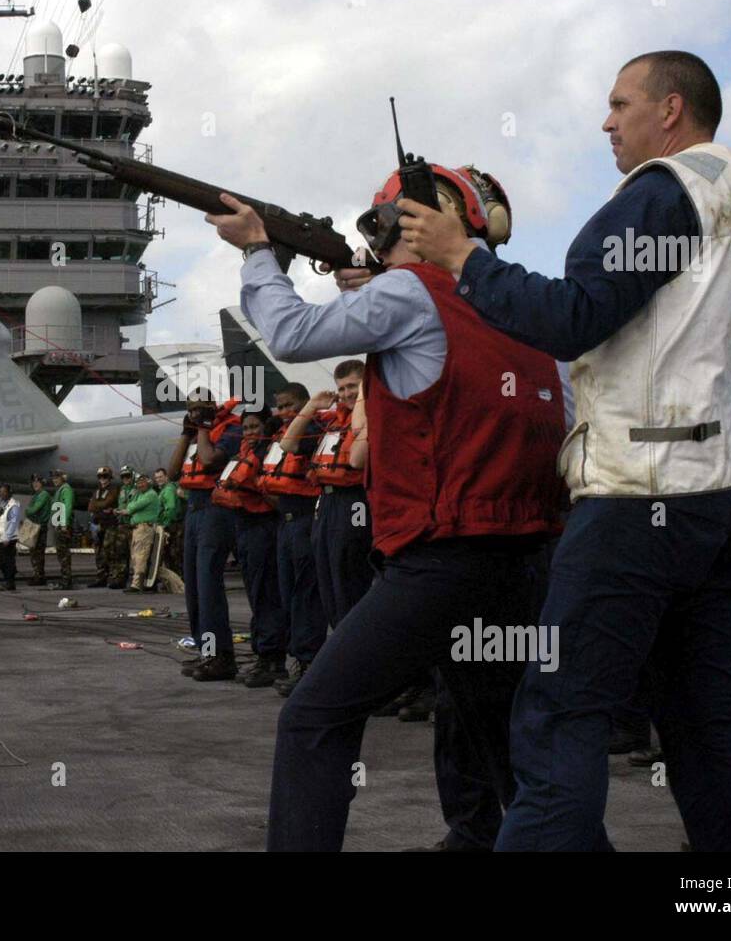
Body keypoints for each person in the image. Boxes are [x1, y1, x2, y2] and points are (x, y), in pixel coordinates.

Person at [387, 50, 731, 850]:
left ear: (671, 111)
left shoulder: (665, 192)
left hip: (638, 497)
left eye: (620, 104)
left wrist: (463, 258)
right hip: (726, 501)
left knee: (560, 714)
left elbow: (574, 315)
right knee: (710, 712)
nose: (606, 122)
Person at [210, 164, 565, 852]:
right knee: (503, 737)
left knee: (315, 718)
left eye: (383, 229)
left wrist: (258, 250)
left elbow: (287, 333)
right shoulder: (532, 310)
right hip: (523, 561)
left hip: (441, 559)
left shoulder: (410, 291)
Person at [257, 383, 326, 696]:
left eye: (289, 406)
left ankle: (310, 663)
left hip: (302, 521)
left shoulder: (310, 429)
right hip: (284, 523)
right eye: (280, 407)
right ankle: (298, 659)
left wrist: (308, 410)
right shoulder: (279, 435)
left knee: (305, 595)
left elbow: (294, 446)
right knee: (288, 595)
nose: (283, 412)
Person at [168, 389, 243, 681]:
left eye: (202, 407)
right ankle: (205, 650)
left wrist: (203, 428)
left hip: (215, 507)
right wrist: (186, 434)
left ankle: (221, 657)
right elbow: (174, 472)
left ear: (214, 406)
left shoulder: (231, 428)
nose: (196, 412)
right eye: (191, 408)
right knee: (194, 587)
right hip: (194, 509)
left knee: (209, 584)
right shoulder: (194, 435)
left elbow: (210, 460)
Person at [212, 407, 288, 687]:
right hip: (244, 527)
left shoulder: (270, 454)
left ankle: (273, 659)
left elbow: (275, 497)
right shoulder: (242, 455)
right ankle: (263, 654)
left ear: (266, 428)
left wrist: (255, 485)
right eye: (245, 428)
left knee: (267, 593)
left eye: (255, 427)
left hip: (263, 527)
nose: (250, 433)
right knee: (256, 595)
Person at [299, 360, 374, 628]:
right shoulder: (333, 422)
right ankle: (341, 641)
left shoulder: (375, 415)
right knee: (327, 579)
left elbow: (356, 460)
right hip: (327, 504)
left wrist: (366, 395)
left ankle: (358, 651)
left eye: (353, 386)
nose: (345, 394)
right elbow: (289, 443)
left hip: (355, 502)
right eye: (341, 389)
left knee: (350, 577)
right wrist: (311, 405)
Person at [120, 473, 161, 592]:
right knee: (137, 556)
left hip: (144, 528)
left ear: (149, 483)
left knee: (140, 556)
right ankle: (147, 583)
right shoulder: (140, 494)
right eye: (138, 483)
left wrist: (129, 508)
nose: (140, 485)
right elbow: (130, 505)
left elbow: (132, 508)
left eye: (143, 482)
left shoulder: (150, 495)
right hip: (138, 528)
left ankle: (137, 585)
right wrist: (130, 507)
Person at [102, 467, 137, 589]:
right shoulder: (122, 490)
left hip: (133, 525)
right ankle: (121, 579)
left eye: (128, 476)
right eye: (123, 477)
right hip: (122, 524)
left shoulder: (136, 490)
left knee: (136, 555)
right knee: (120, 553)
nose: (125, 479)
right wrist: (115, 511)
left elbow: (135, 506)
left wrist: (126, 511)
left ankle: (138, 581)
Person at [87, 467, 120, 587]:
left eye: (105, 477)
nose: (102, 479)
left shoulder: (113, 490)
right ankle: (101, 577)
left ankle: (112, 577)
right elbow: (90, 507)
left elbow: (108, 502)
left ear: (109, 478)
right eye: (100, 477)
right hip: (97, 525)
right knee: (99, 552)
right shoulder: (96, 491)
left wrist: (98, 505)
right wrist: (101, 507)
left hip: (109, 525)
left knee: (109, 552)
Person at [154, 468, 185, 577]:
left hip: (173, 525)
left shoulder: (168, 490)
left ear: (166, 477)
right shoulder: (166, 489)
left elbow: (171, 508)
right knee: (174, 554)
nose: (158, 480)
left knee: (173, 554)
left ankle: (178, 581)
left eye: (161, 477)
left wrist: (164, 524)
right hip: (175, 524)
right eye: (157, 478)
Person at [49, 469, 76, 589]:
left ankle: (67, 581)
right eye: (53, 478)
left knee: (64, 554)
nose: (54, 479)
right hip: (59, 525)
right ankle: (65, 579)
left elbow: (68, 506)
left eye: (57, 477)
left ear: (63, 478)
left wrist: (64, 524)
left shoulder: (66, 490)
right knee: (61, 554)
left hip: (62, 527)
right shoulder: (60, 490)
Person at [24, 474, 52, 586]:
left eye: (38, 482)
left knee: (38, 553)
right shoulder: (37, 495)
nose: (35, 484)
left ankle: (40, 576)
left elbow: (32, 510)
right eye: (34, 482)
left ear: (42, 483)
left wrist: (28, 510)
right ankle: (37, 575)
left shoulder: (43, 495)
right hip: (34, 526)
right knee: (34, 553)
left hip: (39, 527)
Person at [0, 484, 21, 591]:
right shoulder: (3, 505)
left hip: (9, 539)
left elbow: (13, 522)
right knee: (2, 561)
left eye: (3, 492)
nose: (1, 494)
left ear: (9, 493)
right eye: (0, 491)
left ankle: (10, 582)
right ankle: (8, 580)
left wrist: (7, 538)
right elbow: (0, 522)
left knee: (7, 561)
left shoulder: (13, 506)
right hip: (1, 539)